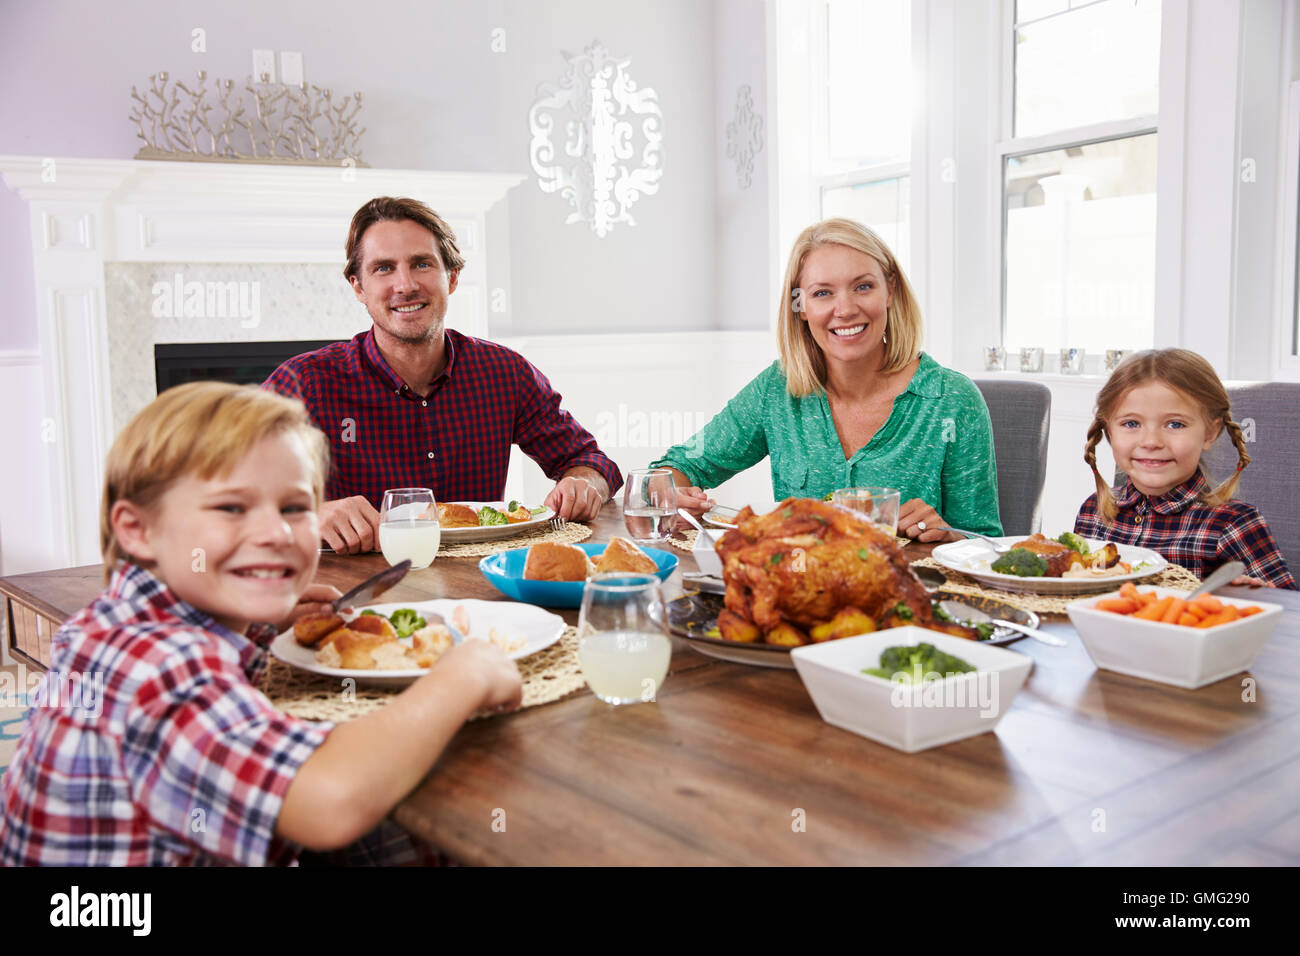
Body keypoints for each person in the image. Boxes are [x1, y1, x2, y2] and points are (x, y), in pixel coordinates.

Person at [0, 382, 523, 866]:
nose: (274, 532)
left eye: (295, 507)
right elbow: (332, 801)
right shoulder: (160, 664)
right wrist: (463, 673)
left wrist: (258, 628)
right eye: (232, 507)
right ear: (137, 530)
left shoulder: (122, 623)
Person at [265, 196, 623, 554]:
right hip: (356, 591)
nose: (405, 285)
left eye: (421, 264)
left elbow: (591, 462)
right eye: (384, 268)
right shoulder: (305, 383)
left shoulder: (504, 373)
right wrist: (307, 515)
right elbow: (219, 488)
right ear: (358, 287)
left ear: (451, 278)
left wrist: (582, 483)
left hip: (480, 585)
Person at [651, 218, 1002, 541]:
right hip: (804, 597)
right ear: (800, 305)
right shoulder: (778, 389)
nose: (845, 309)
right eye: (822, 293)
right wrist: (672, 494)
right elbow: (679, 467)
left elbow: (987, 544)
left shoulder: (952, 400)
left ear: (890, 290)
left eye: (863, 287)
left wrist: (947, 534)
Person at [1075, 349, 1295, 589]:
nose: (1151, 441)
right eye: (1131, 423)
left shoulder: (1233, 524)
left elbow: (1288, 614)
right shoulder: (1092, 513)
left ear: (1209, 432)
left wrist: (1257, 597)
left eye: (1175, 424)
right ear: (1109, 430)